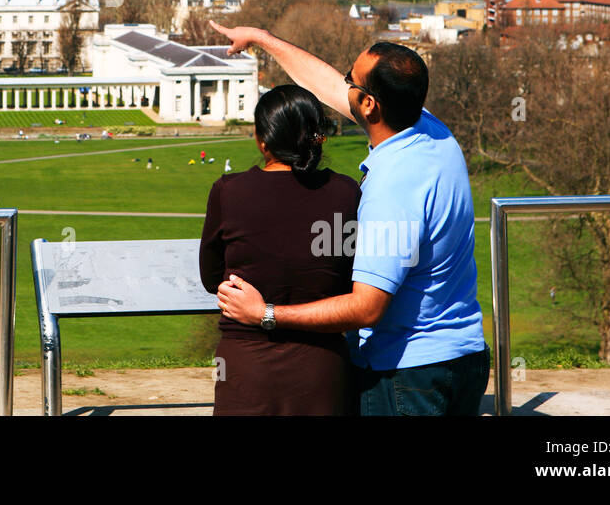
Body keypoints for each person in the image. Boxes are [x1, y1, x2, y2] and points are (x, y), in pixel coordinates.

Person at [210, 23, 489, 417]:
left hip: (408, 375)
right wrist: (263, 40)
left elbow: (367, 308)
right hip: (464, 358)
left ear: (371, 105)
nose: (345, 87)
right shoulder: (430, 130)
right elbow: (327, 85)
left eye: (352, 81)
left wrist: (265, 314)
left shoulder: (390, 188)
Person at [200, 85, 360, 415]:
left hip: (246, 365)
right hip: (323, 365)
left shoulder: (229, 192)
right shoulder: (345, 193)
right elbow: (350, 279)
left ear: (262, 140)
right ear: (317, 137)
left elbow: (212, 277)